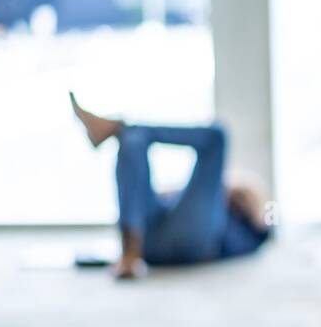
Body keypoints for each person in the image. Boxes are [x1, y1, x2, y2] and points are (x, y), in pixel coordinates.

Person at [70, 93, 272, 279]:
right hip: (146, 242)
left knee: (217, 136)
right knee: (133, 142)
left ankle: (118, 127)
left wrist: (251, 201)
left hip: (192, 245)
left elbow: (266, 225)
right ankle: (129, 255)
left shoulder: (245, 228)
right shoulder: (200, 201)